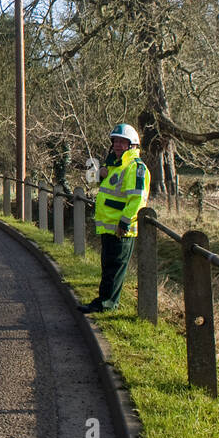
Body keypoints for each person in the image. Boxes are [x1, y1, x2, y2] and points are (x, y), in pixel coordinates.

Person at [79, 124, 148, 314]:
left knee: (114, 269)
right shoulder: (114, 166)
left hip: (120, 229)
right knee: (108, 267)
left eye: (122, 142)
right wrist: (98, 171)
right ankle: (103, 301)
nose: (118, 145)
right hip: (108, 227)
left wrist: (124, 223)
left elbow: (137, 200)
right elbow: (92, 183)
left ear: (132, 145)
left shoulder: (135, 168)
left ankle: (107, 304)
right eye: (115, 141)